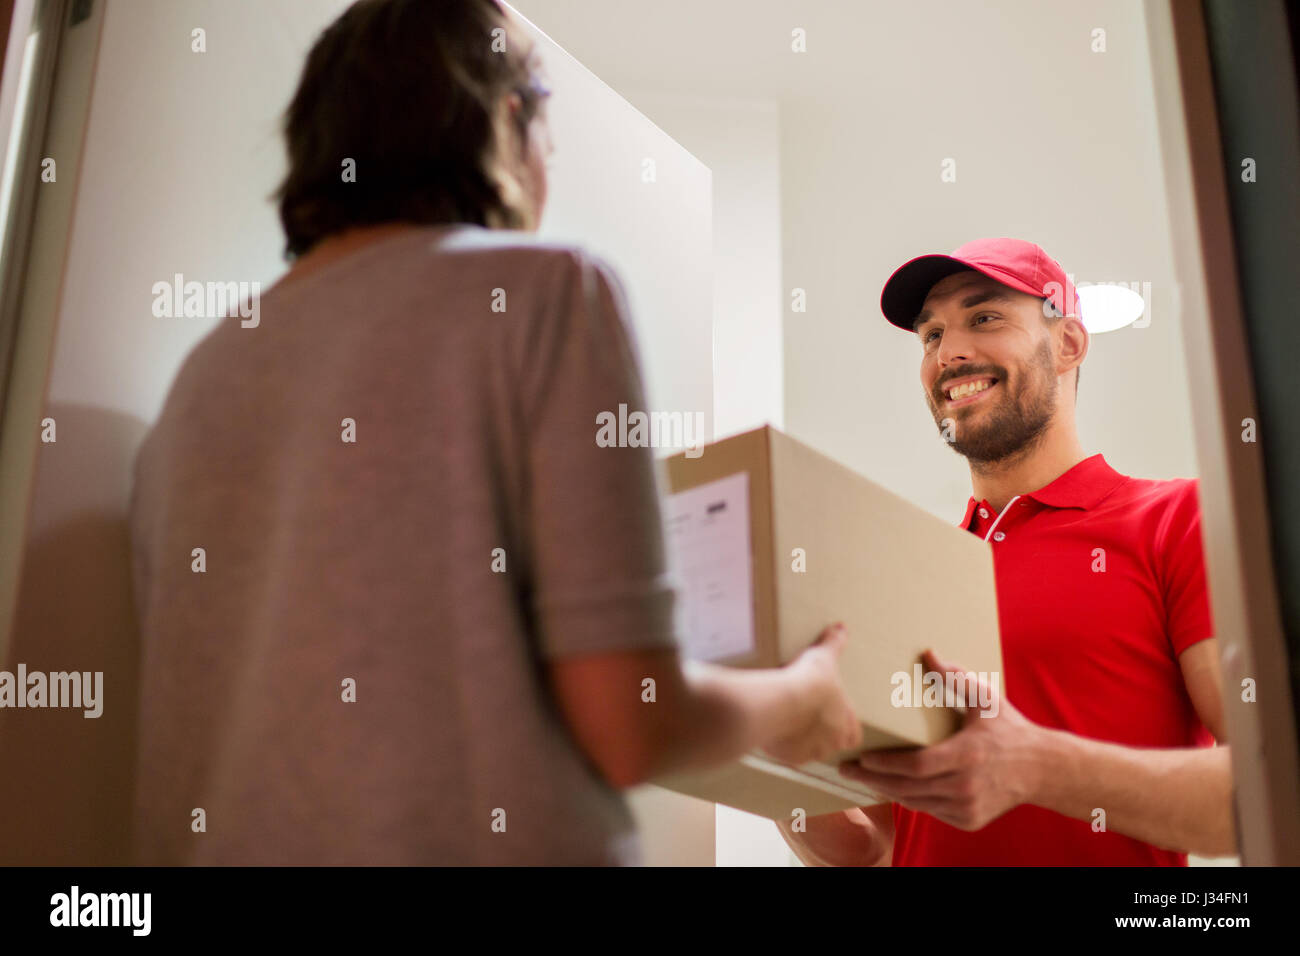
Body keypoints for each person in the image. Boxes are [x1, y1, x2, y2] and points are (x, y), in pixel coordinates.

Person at [127, 0, 859, 866]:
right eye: (548, 118)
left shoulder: (201, 379)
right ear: (510, 116)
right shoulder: (549, 296)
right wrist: (804, 698)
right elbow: (634, 723)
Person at [777, 237, 1235, 865]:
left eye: (984, 317)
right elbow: (874, 844)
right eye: (930, 335)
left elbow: (1265, 788)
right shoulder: (913, 565)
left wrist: (1037, 767)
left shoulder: (1181, 519)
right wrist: (775, 765)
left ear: (1068, 343)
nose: (950, 352)